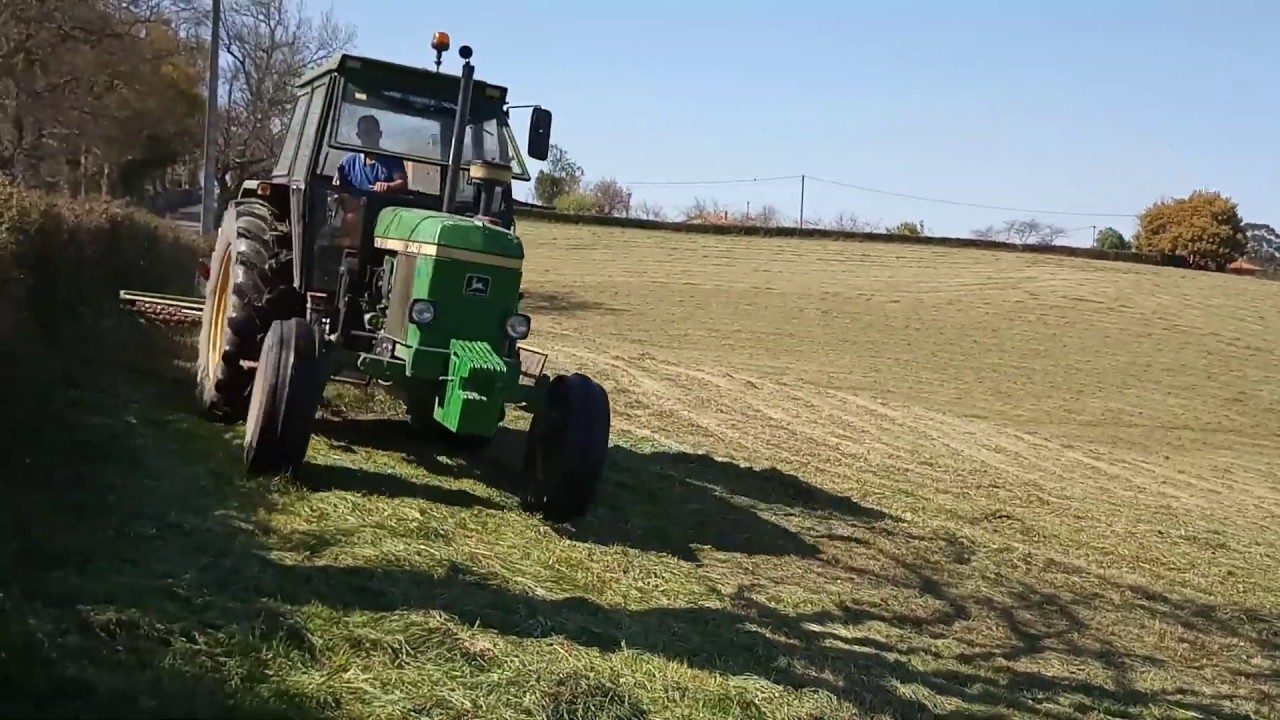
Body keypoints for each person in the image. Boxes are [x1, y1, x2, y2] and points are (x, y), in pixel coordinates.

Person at [335, 114, 408, 192]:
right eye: (366, 133)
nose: (369, 137)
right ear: (358, 135)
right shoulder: (347, 162)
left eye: (372, 132)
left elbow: (402, 183)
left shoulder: (392, 159)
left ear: (380, 134)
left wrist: (388, 186)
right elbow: (336, 186)